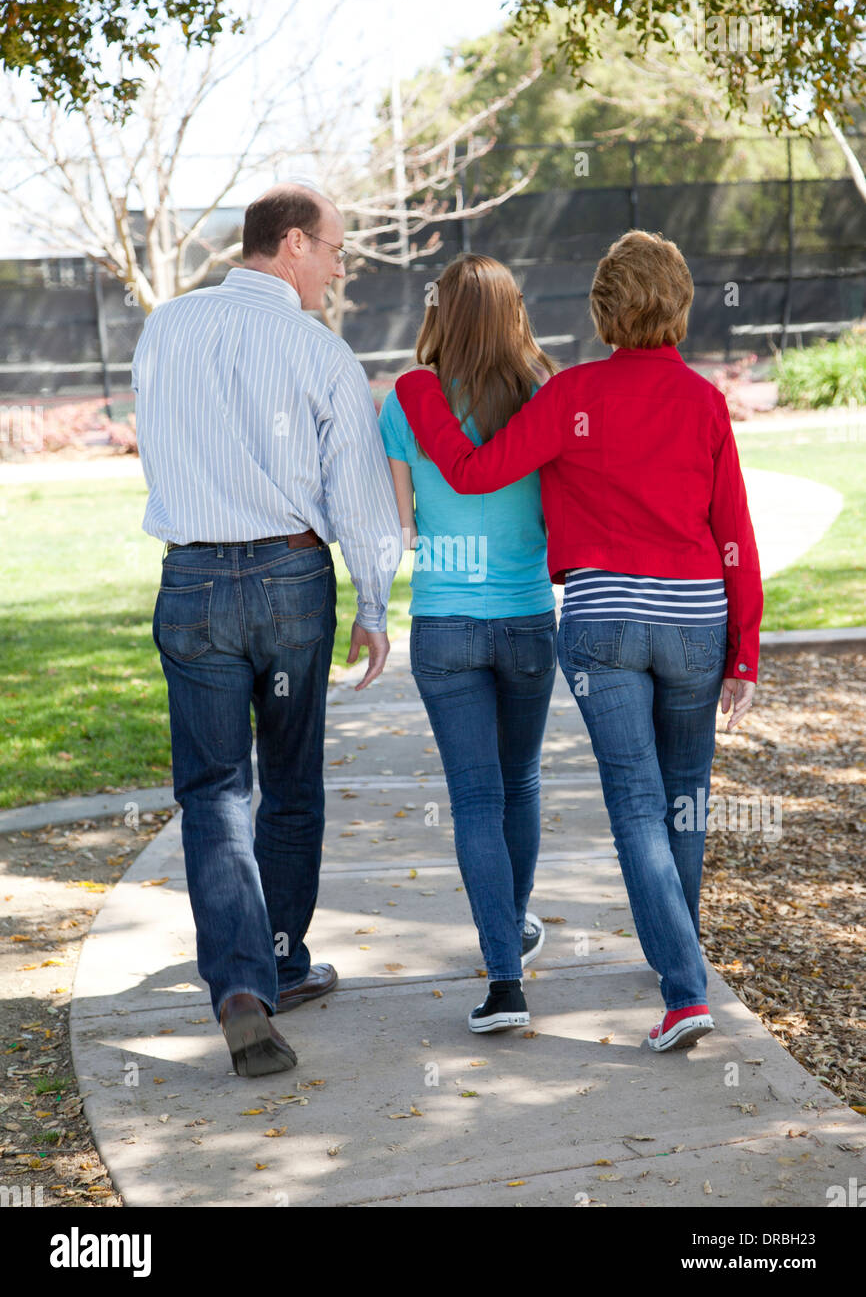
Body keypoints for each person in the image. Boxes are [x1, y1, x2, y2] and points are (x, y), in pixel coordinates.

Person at [394, 230, 763, 1052]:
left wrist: (422, 395)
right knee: (685, 796)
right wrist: (745, 649)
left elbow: (474, 471)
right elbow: (733, 529)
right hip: (699, 618)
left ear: (602, 312)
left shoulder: (572, 397)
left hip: (604, 625)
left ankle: (683, 988)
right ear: (681, 305)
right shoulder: (703, 400)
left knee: (638, 802)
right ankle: (680, 963)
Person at [132, 183, 401, 1077]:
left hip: (193, 579)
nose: (336, 266)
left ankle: (240, 988)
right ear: (291, 245)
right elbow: (359, 495)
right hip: (290, 580)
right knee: (288, 783)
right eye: (332, 249)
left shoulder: (165, 328)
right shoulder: (319, 352)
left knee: (213, 791)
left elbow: (160, 440)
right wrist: (372, 604)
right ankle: (280, 963)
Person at [379, 254, 559, 1033]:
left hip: (446, 619)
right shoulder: (546, 396)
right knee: (517, 783)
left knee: (477, 800)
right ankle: (508, 932)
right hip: (526, 614)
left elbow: (403, 526)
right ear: (515, 312)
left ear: (440, 313)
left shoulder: (405, 401)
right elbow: (559, 514)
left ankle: (504, 980)